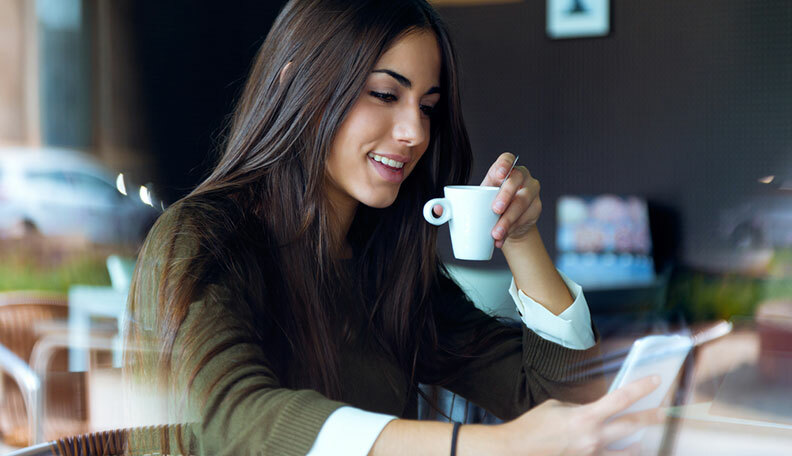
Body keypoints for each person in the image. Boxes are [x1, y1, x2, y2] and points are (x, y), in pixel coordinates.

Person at [125, 0, 661, 454]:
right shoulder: (199, 238)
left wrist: (521, 240)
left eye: (427, 107)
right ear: (296, 85)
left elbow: (561, 399)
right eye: (384, 94)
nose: (413, 132)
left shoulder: (385, 266)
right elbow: (236, 419)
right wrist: (486, 446)